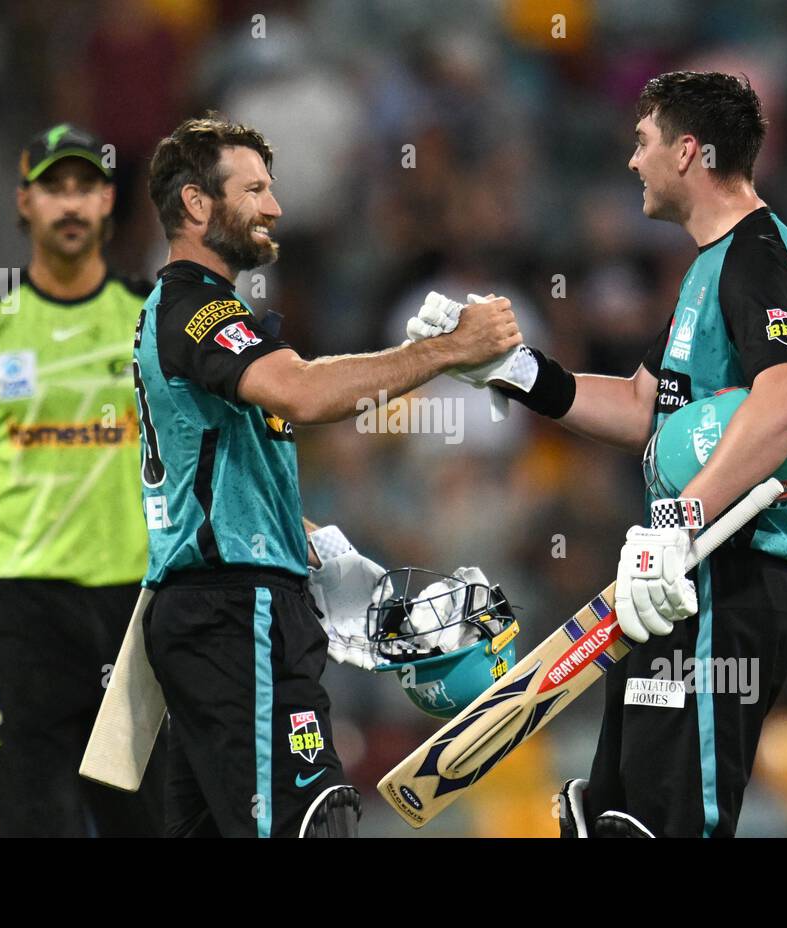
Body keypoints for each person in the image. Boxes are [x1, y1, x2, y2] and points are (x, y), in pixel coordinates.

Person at [408, 72, 787, 837]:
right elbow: (645, 408)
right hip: (681, 577)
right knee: (616, 817)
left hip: (730, 573)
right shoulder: (709, 266)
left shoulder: (756, 256)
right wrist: (509, 370)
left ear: (689, 153)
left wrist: (679, 521)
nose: (632, 162)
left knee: (674, 822)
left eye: (643, 143)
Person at [135, 114, 520, 837]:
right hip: (235, 614)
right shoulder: (197, 307)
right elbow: (305, 392)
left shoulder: (191, 311)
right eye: (253, 189)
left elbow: (208, 476)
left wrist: (316, 546)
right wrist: (446, 351)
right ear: (195, 204)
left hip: (221, 608)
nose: (275, 206)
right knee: (314, 822)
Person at [0, 124, 165, 837]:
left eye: (84, 188)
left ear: (109, 201)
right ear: (24, 203)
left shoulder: (153, 322)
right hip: (19, 612)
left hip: (133, 611)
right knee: (30, 819)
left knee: (150, 820)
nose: (69, 204)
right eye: (53, 188)